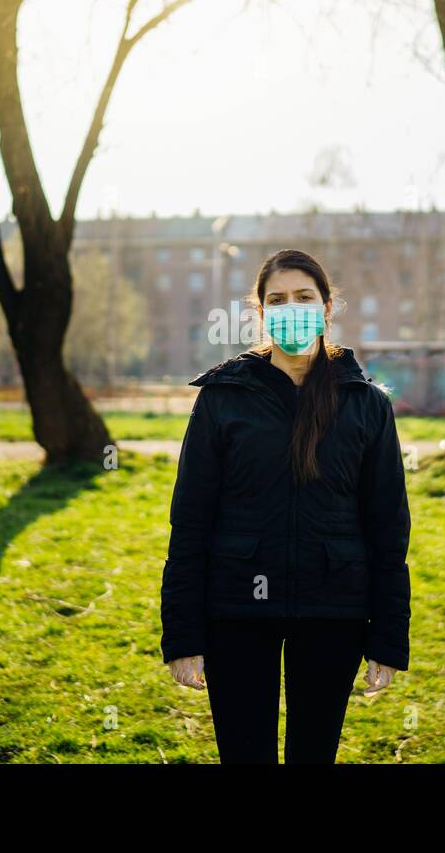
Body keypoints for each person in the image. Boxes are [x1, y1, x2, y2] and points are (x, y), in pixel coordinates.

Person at [159, 248, 412, 763]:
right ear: (259, 311)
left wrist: (387, 637)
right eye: (276, 299)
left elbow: (388, 529)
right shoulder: (222, 399)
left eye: (303, 297)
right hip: (237, 609)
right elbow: (190, 522)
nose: (289, 308)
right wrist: (183, 634)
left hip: (334, 610)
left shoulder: (367, 404)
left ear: (326, 309)